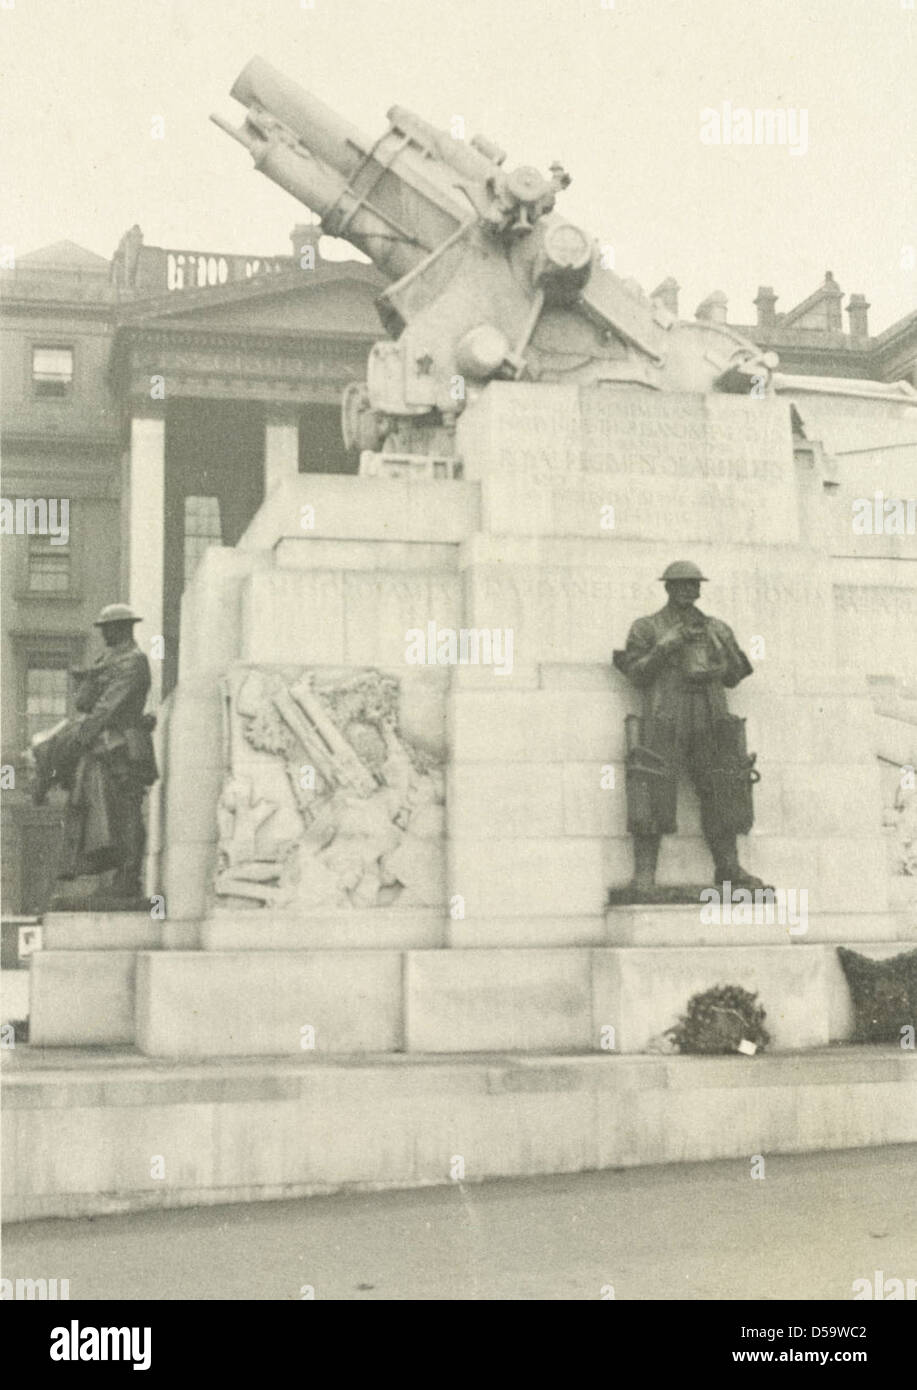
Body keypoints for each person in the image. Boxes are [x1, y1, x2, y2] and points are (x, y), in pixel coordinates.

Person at [613, 561, 766, 897]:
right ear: (667, 588)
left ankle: (728, 869)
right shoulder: (648, 627)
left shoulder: (716, 627)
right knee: (650, 787)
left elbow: (736, 675)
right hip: (666, 714)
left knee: (724, 787)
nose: (688, 591)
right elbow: (636, 673)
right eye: (680, 585)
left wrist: (723, 651)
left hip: (711, 714)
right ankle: (644, 875)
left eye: (693, 585)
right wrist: (666, 645)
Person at [29, 603, 157, 902]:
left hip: (123, 747)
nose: (103, 634)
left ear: (123, 628)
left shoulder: (134, 661)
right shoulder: (107, 660)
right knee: (104, 811)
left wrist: (77, 742)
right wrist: (89, 679)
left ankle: (128, 879)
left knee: (126, 813)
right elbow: (84, 704)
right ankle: (117, 878)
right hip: (101, 745)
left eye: (108, 628)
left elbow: (106, 709)